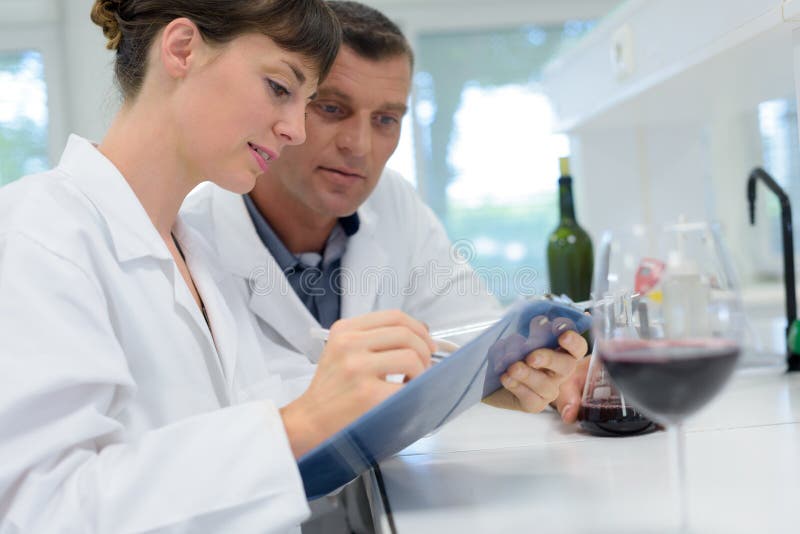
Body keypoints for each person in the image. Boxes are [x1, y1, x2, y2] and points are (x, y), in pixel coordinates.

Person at [0, 1, 441, 531]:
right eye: (280, 87)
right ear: (182, 49)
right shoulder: (36, 236)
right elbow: (37, 511)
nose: (296, 130)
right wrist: (297, 425)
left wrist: (458, 371)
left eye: (306, 102)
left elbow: (252, 412)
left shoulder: (192, 251)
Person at [182, 0, 590, 420]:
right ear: (285, 101)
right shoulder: (192, 235)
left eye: (385, 119)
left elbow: (475, 334)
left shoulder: (393, 202)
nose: (358, 145)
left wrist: (533, 373)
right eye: (331, 108)